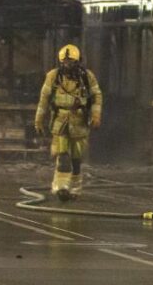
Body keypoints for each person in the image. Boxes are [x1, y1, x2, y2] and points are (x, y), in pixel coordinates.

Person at [34, 44, 102, 201]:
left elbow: (97, 95)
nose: (67, 65)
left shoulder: (87, 77)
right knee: (63, 155)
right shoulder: (53, 76)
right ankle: (61, 187)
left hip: (80, 122)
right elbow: (44, 99)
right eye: (64, 62)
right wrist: (38, 120)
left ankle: (75, 189)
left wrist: (96, 115)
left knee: (76, 159)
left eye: (70, 62)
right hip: (61, 121)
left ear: (78, 61)